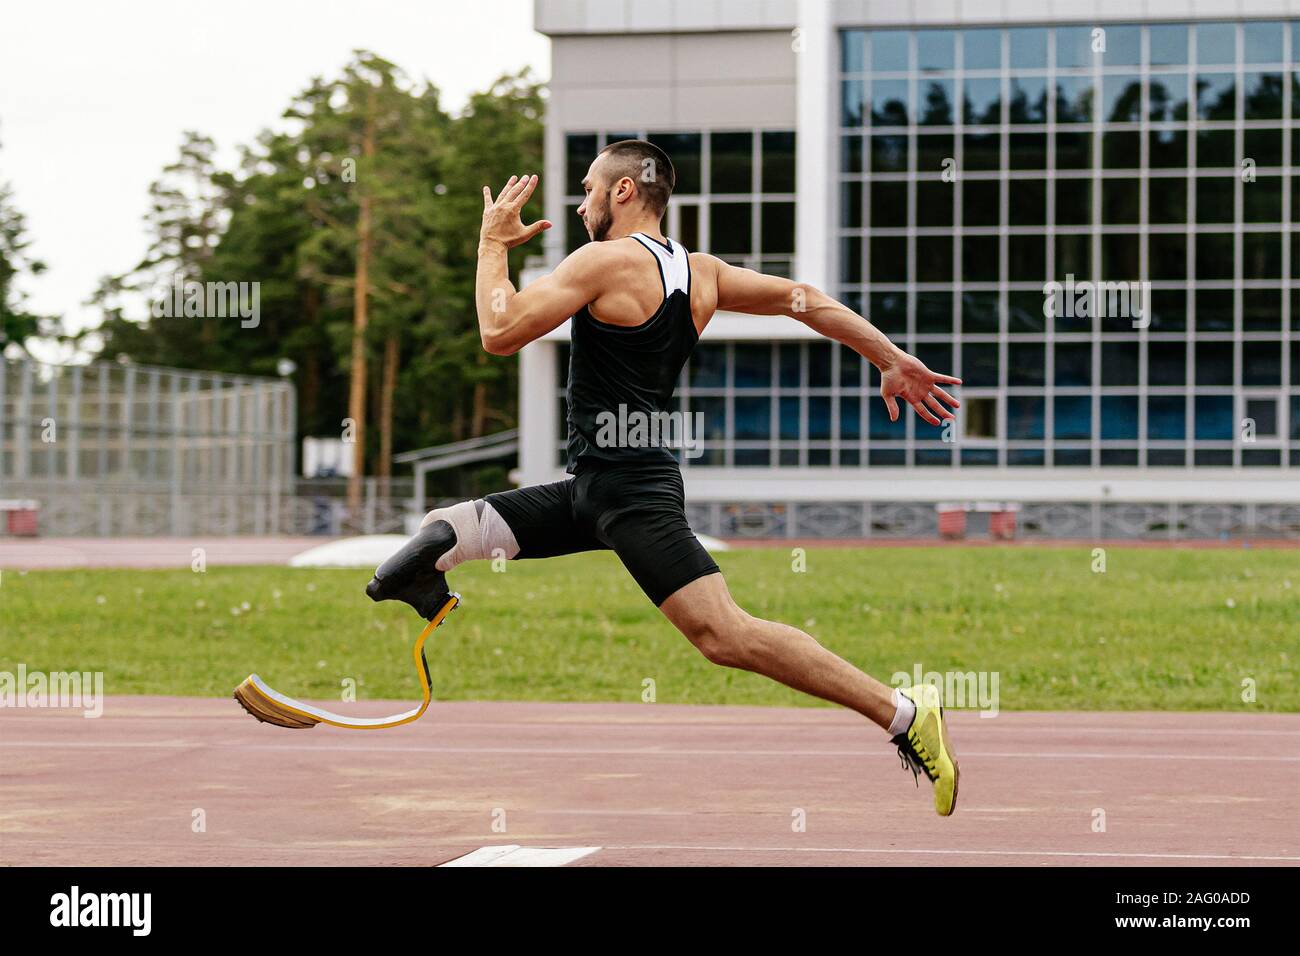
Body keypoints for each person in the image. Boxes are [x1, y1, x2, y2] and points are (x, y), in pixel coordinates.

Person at [367, 140, 962, 815]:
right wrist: (888, 356)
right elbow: (805, 300)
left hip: (631, 492)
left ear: (623, 191)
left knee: (724, 635)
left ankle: (903, 712)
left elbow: (499, 332)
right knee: (442, 532)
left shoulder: (602, 260)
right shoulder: (703, 273)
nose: (582, 204)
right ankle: (424, 581)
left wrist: (491, 245)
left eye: (589, 189)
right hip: (592, 489)